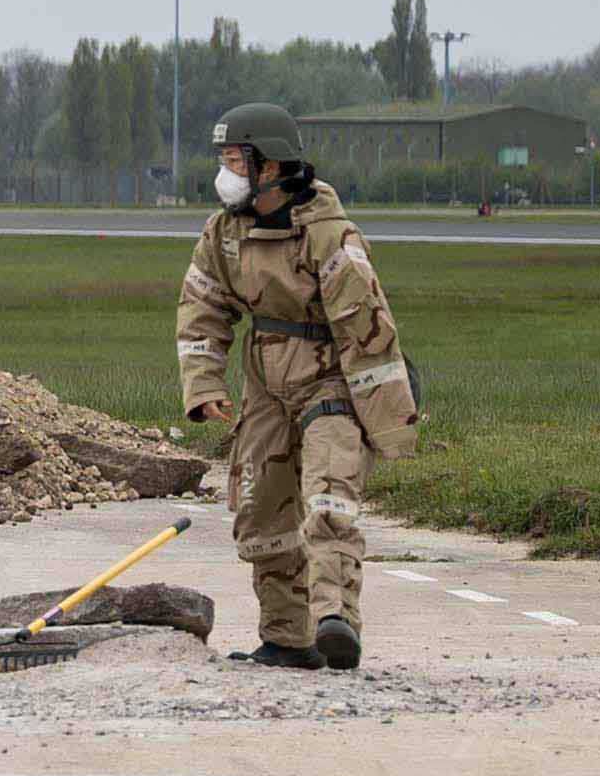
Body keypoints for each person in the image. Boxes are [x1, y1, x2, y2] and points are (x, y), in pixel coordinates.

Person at [172, 103, 423, 672]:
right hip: (265, 384)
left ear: (270, 164)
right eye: (224, 160)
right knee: (260, 509)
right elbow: (201, 308)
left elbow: (369, 331)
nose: (226, 172)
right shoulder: (224, 232)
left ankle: (335, 620)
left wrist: (386, 413)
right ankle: (287, 637)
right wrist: (203, 382)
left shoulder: (330, 236)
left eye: (235, 159)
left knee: (329, 499)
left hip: (329, 380)